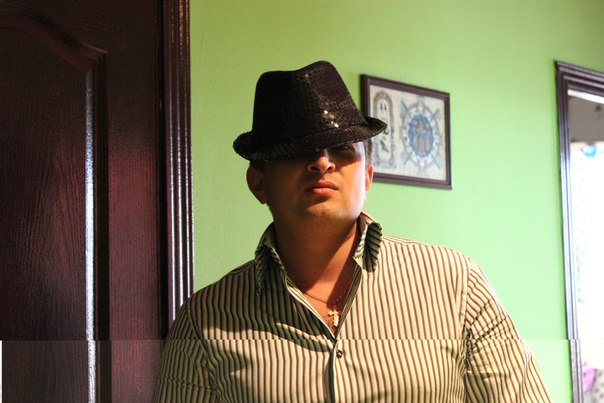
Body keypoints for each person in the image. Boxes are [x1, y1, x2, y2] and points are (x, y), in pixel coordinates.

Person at [152, 61, 551, 402]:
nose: (322, 162)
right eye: (296, 148)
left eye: (342, 147)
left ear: (368, 177)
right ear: (259, 182)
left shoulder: (455, 283)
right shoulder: (204, 322)